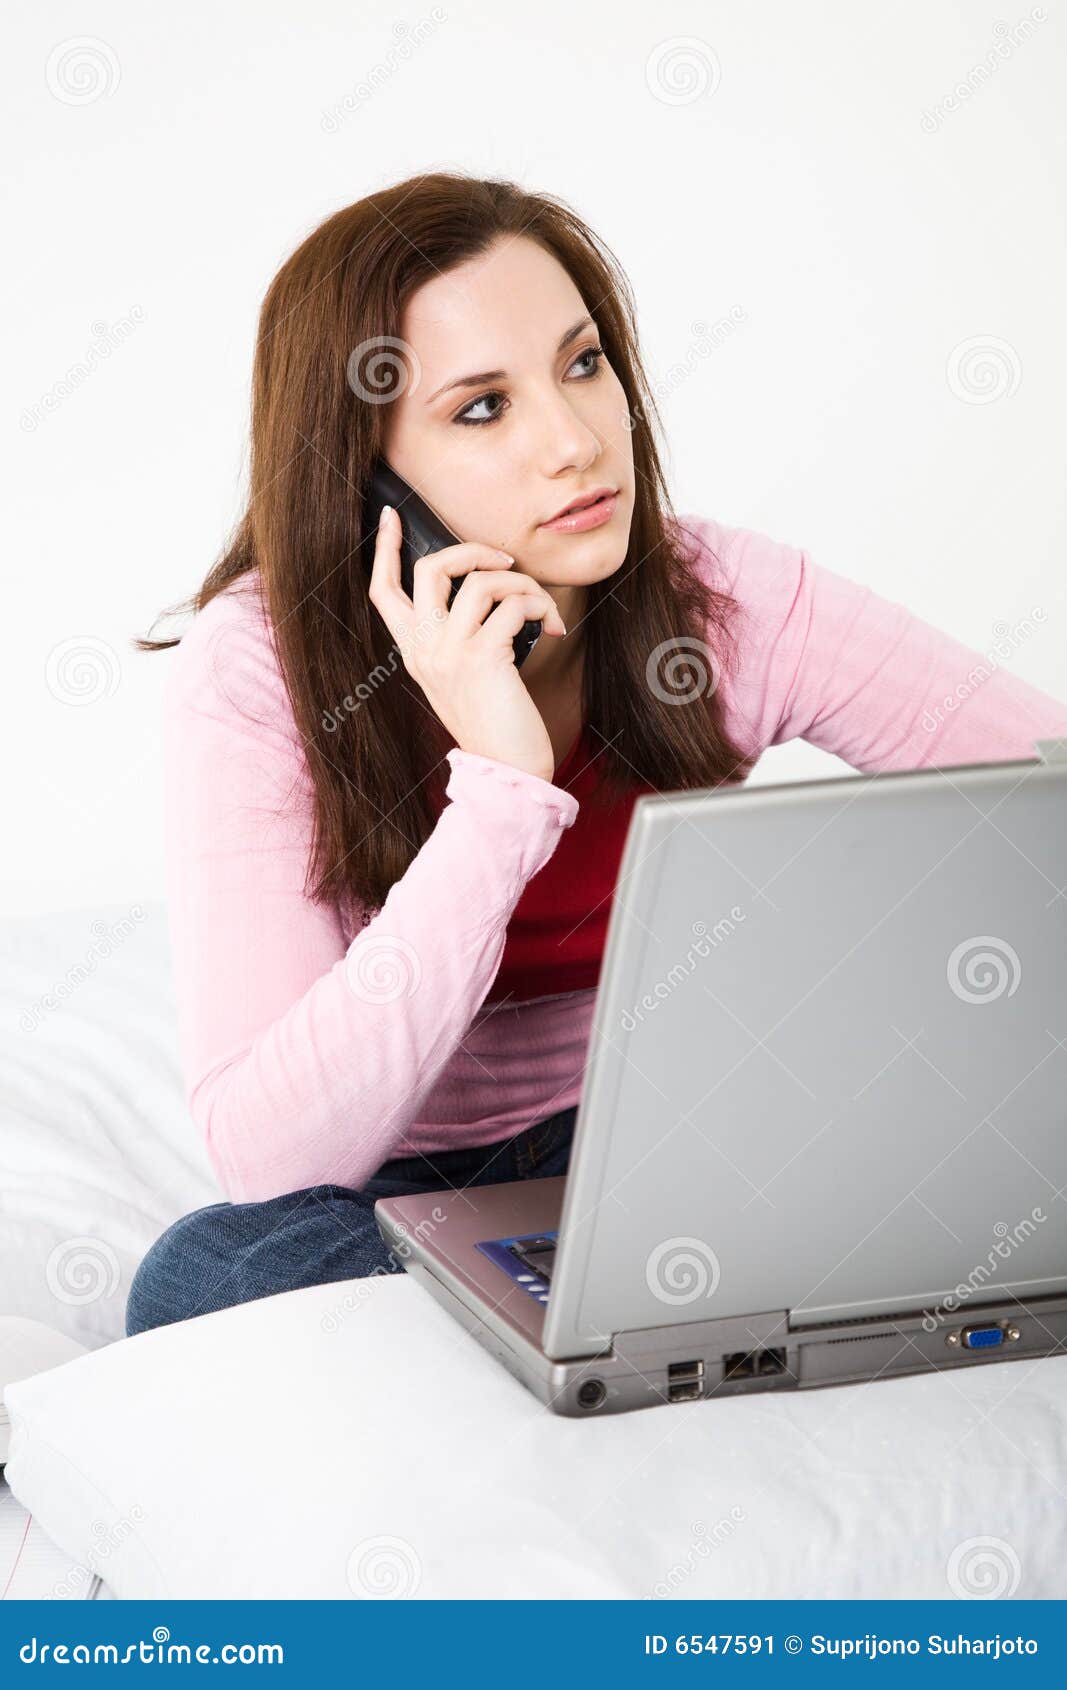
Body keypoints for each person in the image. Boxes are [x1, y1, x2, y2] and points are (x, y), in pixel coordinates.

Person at [125, 171, 1067, 1337]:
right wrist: (502, 795)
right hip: (402, 1192)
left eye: (582, 365)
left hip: (699, 1145)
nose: (575, 442)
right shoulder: (257, 669)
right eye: (481, 408)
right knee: (205, 1273)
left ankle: (600, 1336)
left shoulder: (725, 601)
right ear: (364, 476)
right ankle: (595, 1334)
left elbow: (1047, 803)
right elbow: (273, 1156)